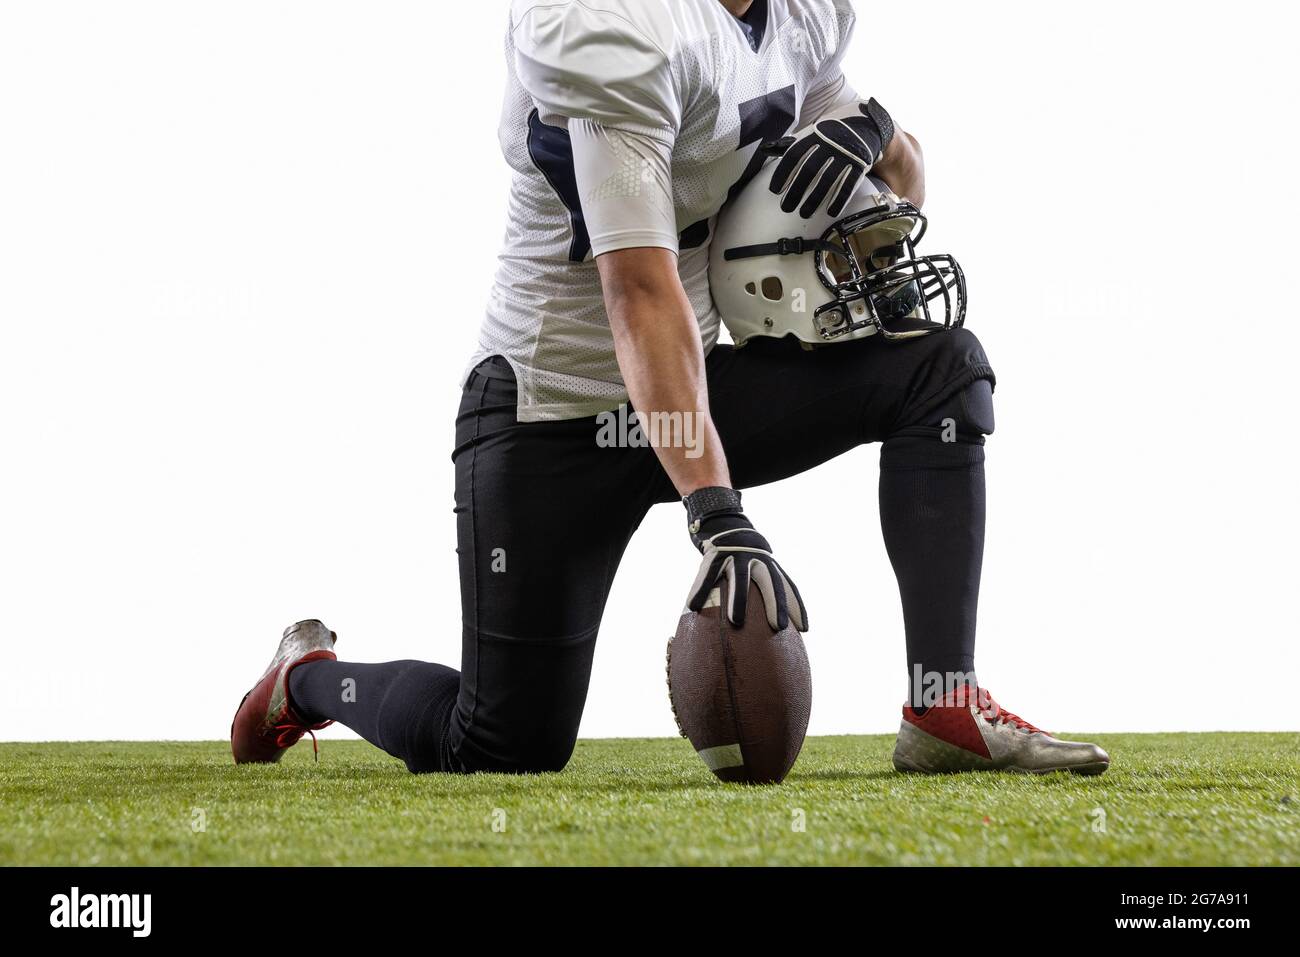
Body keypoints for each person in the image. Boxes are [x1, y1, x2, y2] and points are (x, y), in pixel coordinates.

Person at [231, 0, 1108, 776]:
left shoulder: (799, 17)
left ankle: (943, 704)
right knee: (501, 746)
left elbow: (902, 186)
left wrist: (878, 136)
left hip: (688, 381)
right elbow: (638, 293)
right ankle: (306, 677)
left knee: (939, 368)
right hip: (550, 407)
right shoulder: (615, 23)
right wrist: (716, 508)